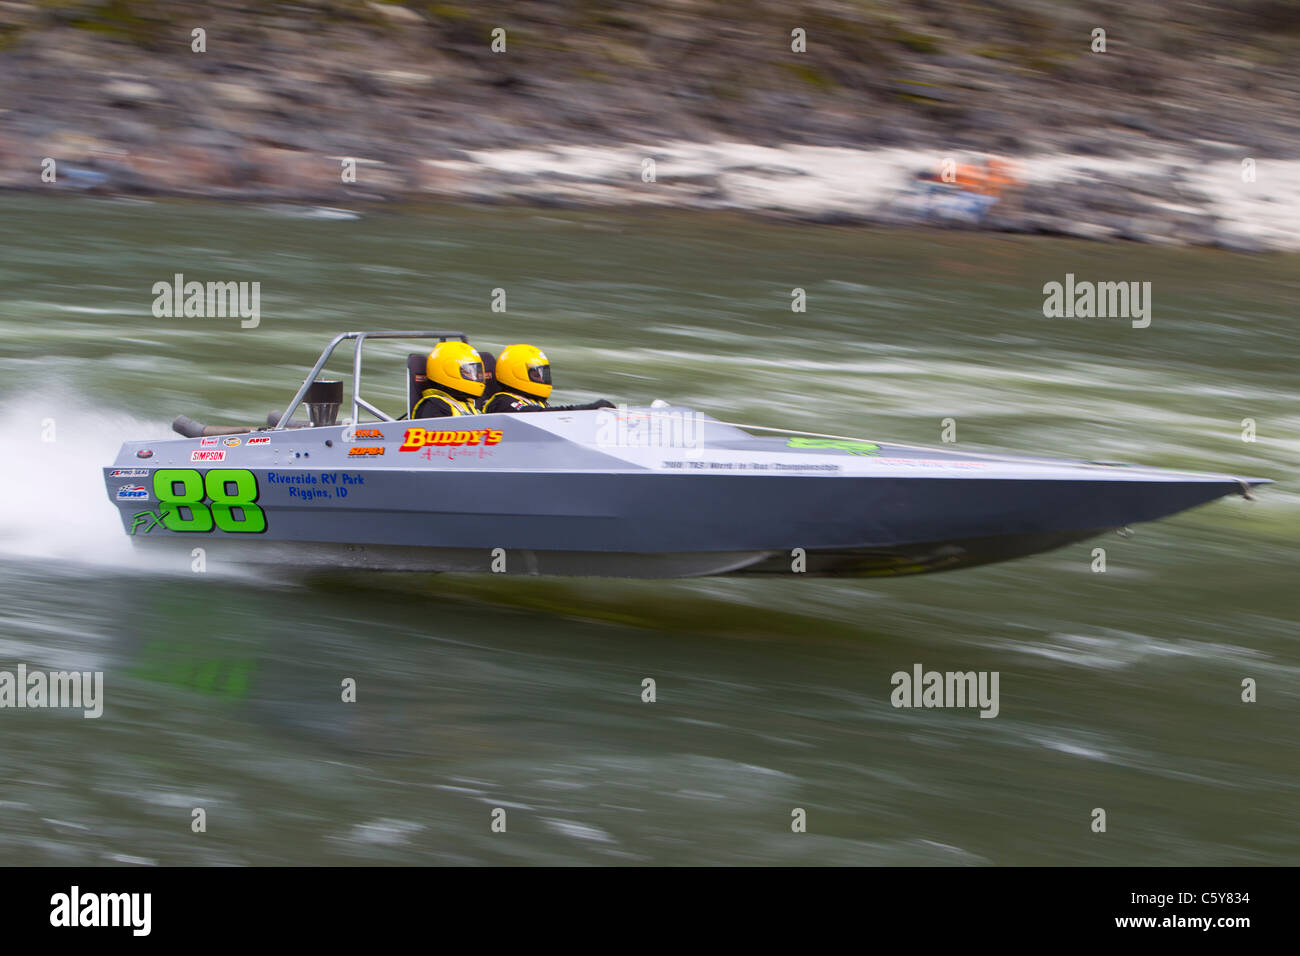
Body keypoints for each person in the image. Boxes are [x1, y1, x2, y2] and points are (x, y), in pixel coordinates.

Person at [480, 343, 614, 414]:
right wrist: (589, 408)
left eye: (543, 373)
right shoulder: (502, 402)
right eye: (536, 374)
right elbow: (536, 415)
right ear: (515, 373)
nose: (542, 379)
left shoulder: (537, 402)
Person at [411, 341, 485, 418]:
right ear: (448, 371)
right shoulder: (435, 406)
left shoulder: (468, 404)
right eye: (468, 371)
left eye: (475, 372)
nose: (474, 377)